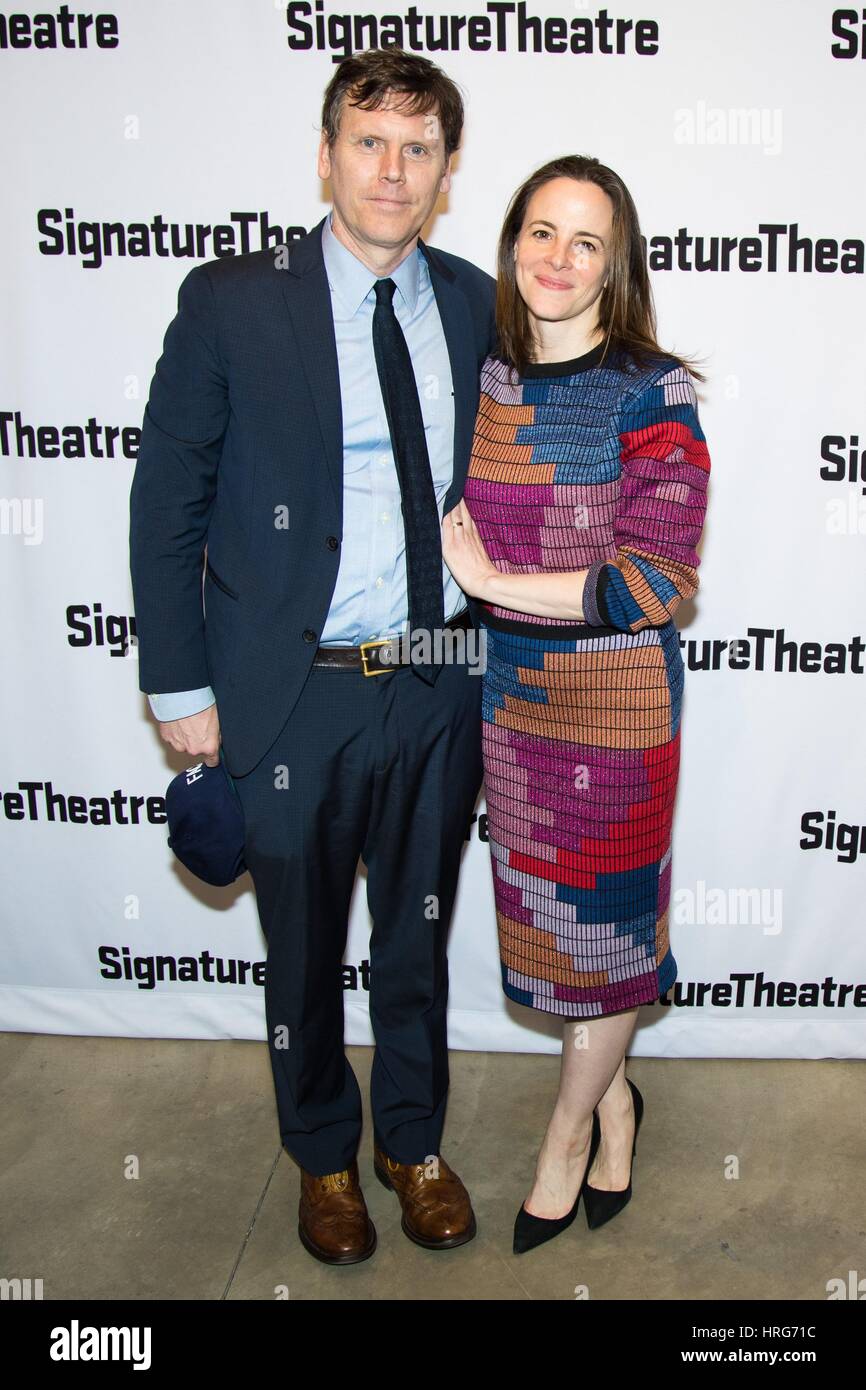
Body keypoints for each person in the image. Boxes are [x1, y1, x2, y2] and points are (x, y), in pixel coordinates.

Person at [129, 47, 497, 1265]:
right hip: (292, 694)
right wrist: (180, 686)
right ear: (327, 152)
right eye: (368, 141)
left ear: (445, 171)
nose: (392, 169)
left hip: (439, 679)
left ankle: (412, 1140)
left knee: (414, 934)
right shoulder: (235, 300)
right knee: (301, 948)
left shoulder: (470, 302)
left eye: (418, 148)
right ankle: (324, 1158)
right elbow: (166, 500)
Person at [441, 155, 711, 1253]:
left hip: (616, 710)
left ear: (616, 265)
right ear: (511, 243)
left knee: (601, 944)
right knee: (558, 939)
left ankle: (565, 1135)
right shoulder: (489, 377)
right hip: (513, 706)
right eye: (539, 231)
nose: (556, 257)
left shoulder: (651, 389)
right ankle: (613, 1102)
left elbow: (654, 582)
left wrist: (497, 585)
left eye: (584, 240)